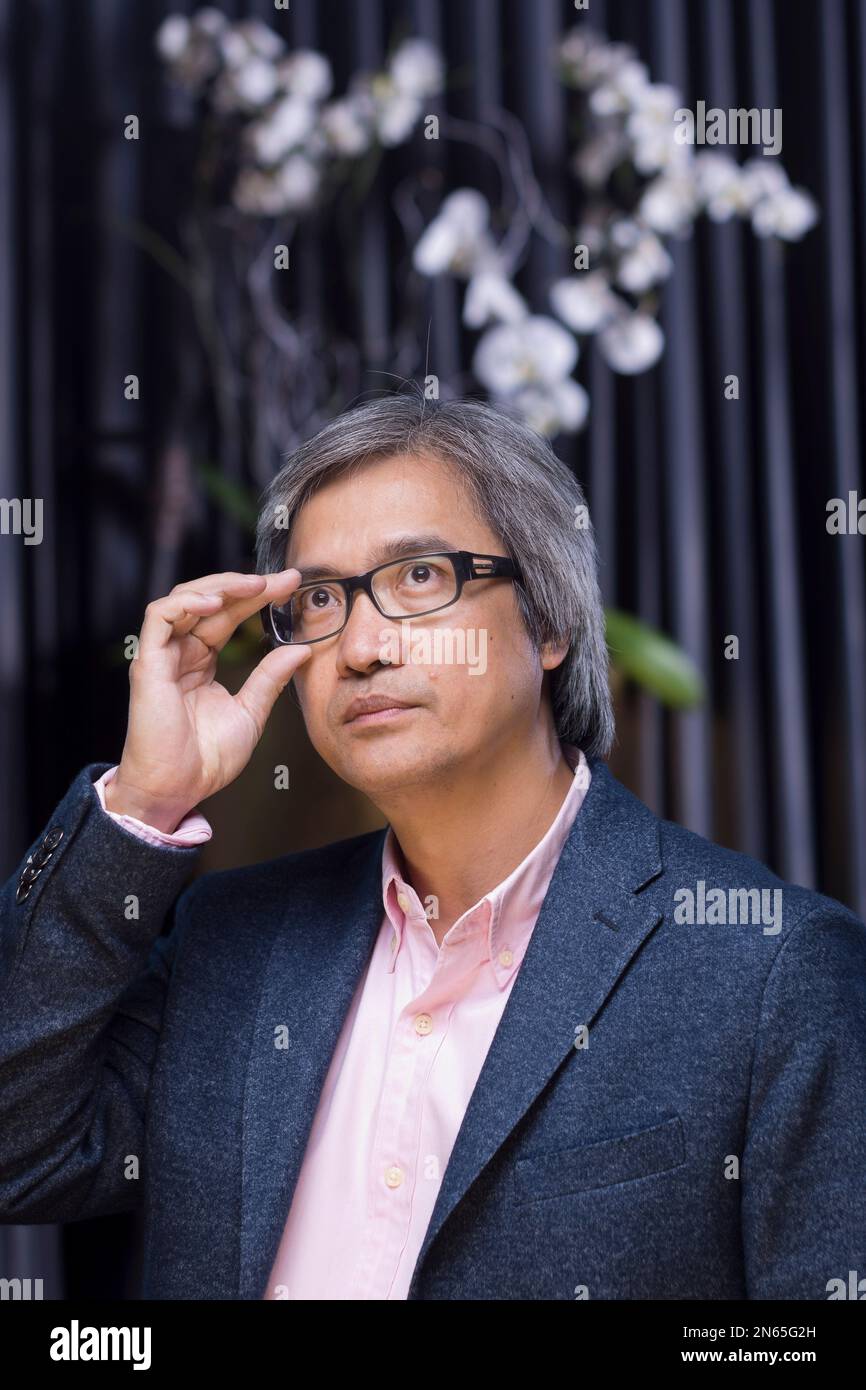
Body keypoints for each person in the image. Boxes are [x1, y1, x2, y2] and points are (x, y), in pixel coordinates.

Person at [1, 394, 864, 1300]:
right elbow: (21, 1151)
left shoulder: (773, 972)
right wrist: (146, 798)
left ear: (551, 623)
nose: (363, 648)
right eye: (323, 600)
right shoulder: (233, 943)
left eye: (419, 578)